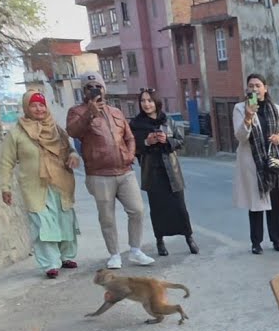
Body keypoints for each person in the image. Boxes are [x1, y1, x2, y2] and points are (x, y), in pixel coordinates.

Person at [66, 72, 155, 269]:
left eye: (97, 85)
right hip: (99, 174)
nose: (94, 89)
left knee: (138, 210)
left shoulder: (116, 111)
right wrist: (90, 112)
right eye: (89, 87)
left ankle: (135, 250)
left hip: (124, 171)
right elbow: (73, 132)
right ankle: (114, 254)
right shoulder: (77, 112)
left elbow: (130, 137)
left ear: (104, 88)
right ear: (83, 91)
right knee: (107, 216)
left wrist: (130, 155)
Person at [0, 89, 82, 279]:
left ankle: (66, 256)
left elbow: (69, 149)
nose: (38, 109)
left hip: (60, 182)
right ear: (26, 108)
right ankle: (50, 264)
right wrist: (5, 187)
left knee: (65, 220)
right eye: (33, 105)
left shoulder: (56, 129)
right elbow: (6, 161)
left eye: (41, 104)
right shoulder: (17, 133)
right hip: (34, 186)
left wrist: (73, 155)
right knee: (42, 224)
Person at [232, 73, 279, 254]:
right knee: (256, 204)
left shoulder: (276, 109)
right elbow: (241, 136)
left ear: (265, 89)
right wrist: (248, 118)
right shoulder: (240, 109)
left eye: (258, 85)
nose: (254, 89)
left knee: (275, 203)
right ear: (246, 90)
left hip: (273, 161)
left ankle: (277, 240)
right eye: (251, 86)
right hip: (253, 163)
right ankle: (256, 243)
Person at [130, 88, 197, 256]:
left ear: (156, 102)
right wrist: (146, 142)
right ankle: (160, 241)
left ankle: (189, 238)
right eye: (143, 101)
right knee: (158, 209)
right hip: (152, 172)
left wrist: (167, 140)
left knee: (180, 207)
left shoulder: (167, 121)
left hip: (171, 171)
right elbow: (132, 148)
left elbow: (181, 141)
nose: (146, 104)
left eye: (150, 101)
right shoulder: (136, 124)